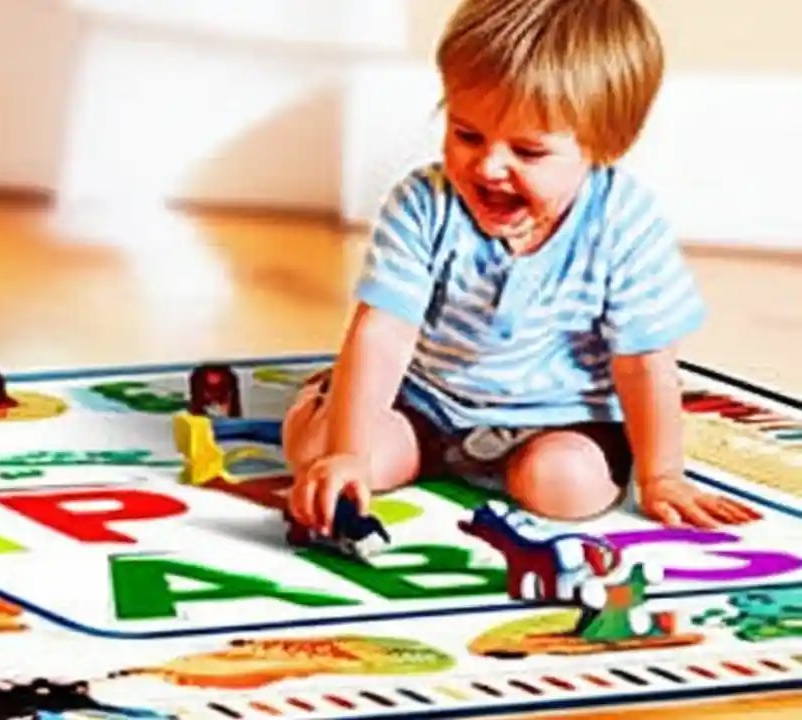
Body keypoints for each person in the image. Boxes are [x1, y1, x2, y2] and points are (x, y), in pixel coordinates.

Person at [284, 0, 762, 535]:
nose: (489, 167)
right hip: (427, 402)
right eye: (467, 135)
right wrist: (346, 452)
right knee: (322, 452)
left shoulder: (623, 222)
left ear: (604, 146)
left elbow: (645, 362)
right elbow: (383, 331)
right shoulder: (424, 203)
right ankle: (322, 400)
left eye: (528, 152)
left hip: (555, 418)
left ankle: (518, 464)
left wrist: (662, 475)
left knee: (565, 485)